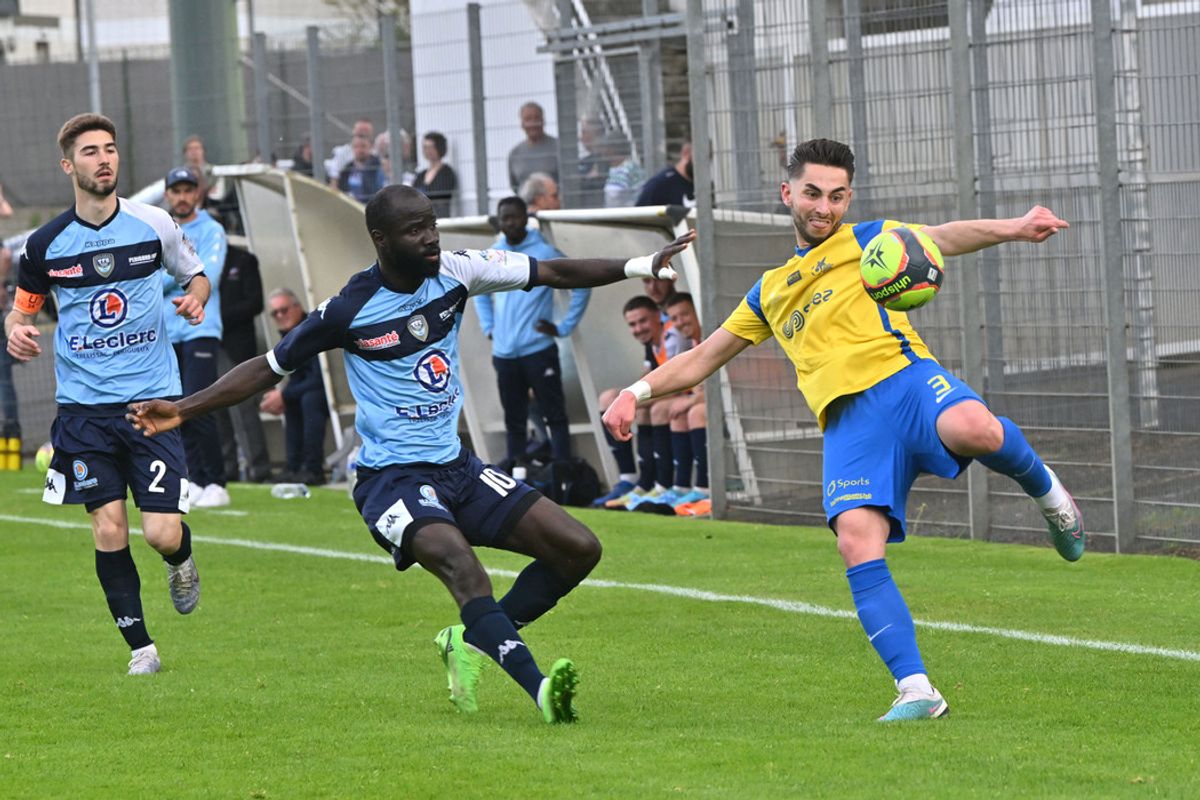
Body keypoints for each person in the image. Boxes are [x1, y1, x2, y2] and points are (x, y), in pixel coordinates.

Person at [128, 184, 694, 724]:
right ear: (381, 238)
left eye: (433, 226)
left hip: (458, 469)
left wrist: (640, 265)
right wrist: (183, 408)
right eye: (416, 229)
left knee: (578, 549)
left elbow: (554, 271)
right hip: (391, 480)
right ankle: (538, 686)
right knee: (463, 568)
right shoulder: (347, 310)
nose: (431, 239)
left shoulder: (457, 272)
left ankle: (475, 637)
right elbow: (266, 368)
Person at [602, 137, 1085, 722]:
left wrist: (1015, 225)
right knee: (856, 542)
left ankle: (1050, 495)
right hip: (847, 423)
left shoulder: (867, 241)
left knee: (975, 427)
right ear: (788, 194)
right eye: (811, 193)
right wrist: (635, 391)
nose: (823, 207)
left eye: (835, 196)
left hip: (903, 379)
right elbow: (704, 356)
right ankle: (917, 691)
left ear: (847, 198)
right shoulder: (770, 291)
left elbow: (945, 236)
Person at [6, 113, 207, 675]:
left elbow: (195, 275)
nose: (104, 159)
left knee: (161, 533)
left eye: (110, 149)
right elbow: (19, 312)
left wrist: (196, 297)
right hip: (83, 411)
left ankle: (182, 556)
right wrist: (18, 331)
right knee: (109, 526)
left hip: (153, 405)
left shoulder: (154, 225)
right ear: (69, 166)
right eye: (91, 151)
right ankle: (142, 648)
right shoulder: (45, 245)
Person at [473, 196, 589, 463]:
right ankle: (517, 482)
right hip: (504, 354)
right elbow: (478, 290)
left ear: (526, 218)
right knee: (514, 422)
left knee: (555, 416)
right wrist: (489, 326)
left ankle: (561, 481)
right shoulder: (494, 253)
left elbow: (581, 283)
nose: (511, 223)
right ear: (499, 222)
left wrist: (564, 327)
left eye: (516, 217)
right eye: (505, 218)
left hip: (538, 351)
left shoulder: (544, 251)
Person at [162, 166, 230, 508]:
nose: (182, 196)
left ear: (197, 193)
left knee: (199, 403)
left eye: (188, 189)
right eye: (176, 190)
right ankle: (194, 477)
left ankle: (216, 480)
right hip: (165, 330)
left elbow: (208, 275)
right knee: (174, 405)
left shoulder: (212, 229)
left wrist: (172, 275)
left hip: (200, 326)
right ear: (167, 195)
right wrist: (185, 274)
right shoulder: (160, 231)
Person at [592, 295, 690, 510]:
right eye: (632, 324)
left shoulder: (673, 336)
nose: (638, 329)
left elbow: (680, 381)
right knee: (610, 398)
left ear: (658, 316)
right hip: (677, 392)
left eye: (642, 321)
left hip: (689, 394)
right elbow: (648, 376)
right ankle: (632, 479)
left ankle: (663, 485)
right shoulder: (652, 342)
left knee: (649, 408)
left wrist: (632, 400)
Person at [258, 288, 329, 485]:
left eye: (284, 310)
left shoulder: (310, 328)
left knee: (309, 398)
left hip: (332, 391)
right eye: (275, 313)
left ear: (298, 307)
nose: (280, 316)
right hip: (312, 390)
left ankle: (313, 468)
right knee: (294, 399)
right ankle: (293, 466)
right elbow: (297, 378)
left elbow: (320, 378)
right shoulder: (290, 335)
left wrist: (284, 394)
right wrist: (283, 395)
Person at [215, 243, 272, 483]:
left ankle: (258, 468)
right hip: (209, 345)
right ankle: (227, 467)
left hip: (236, 346)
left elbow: (255, 302)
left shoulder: (243, 259)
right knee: (215, 409)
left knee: (243, 409)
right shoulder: (197, 262)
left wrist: (217, 317)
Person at [508, 101, 559, 194]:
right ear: (522, 124)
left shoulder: (558, 148)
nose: (532, 124)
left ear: (543, 121)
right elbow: (514, 186)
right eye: (528, 119)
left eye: (536, 118)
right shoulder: (515, 154)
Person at [636, 141, 695, 208]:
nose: (707, 165)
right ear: (686, 153)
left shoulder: (703, 186)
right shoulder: (660, 185)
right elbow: (638, 215)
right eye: (702, 158)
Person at [412, 132, 457, 218]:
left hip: (438, 218)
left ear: (439, 148)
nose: (428, 151)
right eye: (425, 147)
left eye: (431, 147)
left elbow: (441, 195)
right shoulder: (421, 174)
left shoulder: (447, 173)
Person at [337, 134, 386, 204]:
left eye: (363, 146)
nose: (359, 150)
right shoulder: (346, 169)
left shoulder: (378, 167)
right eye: (356, 147)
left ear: (370, 147)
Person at [601, 133, 645, 208]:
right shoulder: (608, 170)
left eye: (604, 147)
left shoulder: (630, 169)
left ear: (612, 149)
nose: (601, 150)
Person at [326, 118, 375, 183]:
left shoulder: (377, 152)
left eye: (366, 131)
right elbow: (334, 172)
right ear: (354, 131)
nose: (362, 133)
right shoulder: (342, 152)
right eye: (360, 130)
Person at [576, 116, 607, 208]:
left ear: (596, 134)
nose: (580, 137)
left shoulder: (607, 160)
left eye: (584, 132)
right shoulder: (584, 162)